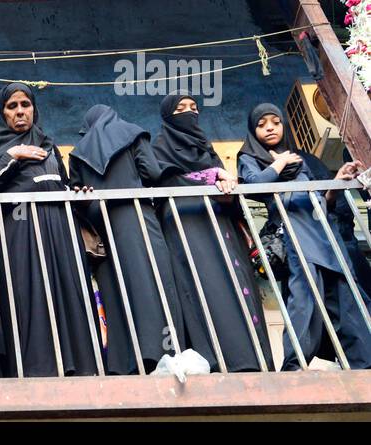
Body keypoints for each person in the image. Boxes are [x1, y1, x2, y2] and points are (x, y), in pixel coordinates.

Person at [0, 83, 100, 377]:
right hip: (20, 230)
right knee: (28, 291)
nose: (20, 111)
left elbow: (63, 182)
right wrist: (13, 157)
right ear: (3, 113)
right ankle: (38, 368)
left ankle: (82, 365)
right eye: (12, 106)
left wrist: (75, 193)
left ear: (34, 109)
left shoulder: (48, 144)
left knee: (68, 287)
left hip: (59, 226)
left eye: (25, 105)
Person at [237, 102, 371, 369]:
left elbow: (324, 201)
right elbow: (253, 185)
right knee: (304, 293)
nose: (270, 128)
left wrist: (337, 182)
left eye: (275, 122)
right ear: (253, 132)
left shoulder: (303, 159)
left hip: (322, 229)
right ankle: (294, 364)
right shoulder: (250, 158)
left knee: (343, 291)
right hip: (294, 229)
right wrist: (281, 163)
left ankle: (363, 362)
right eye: (262, 125)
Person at [152, 94, 269, 372]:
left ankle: (252, 361)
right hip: (186, 225)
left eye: (194, 108)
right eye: (181, 109)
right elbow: (161, 178)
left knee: (235, 284)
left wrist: (226, 187)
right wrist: (209, 178)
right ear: (168, 117)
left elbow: (223, 182)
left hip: (220, 222)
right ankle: (216, 360)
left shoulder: (206, 148)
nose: (189, 113)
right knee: (204, 286)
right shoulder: (160, 146)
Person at [70, 104, 187, 375]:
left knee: (115, 290)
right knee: (153, 281)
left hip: (102, 227)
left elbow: (78, 193)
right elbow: (153, 173)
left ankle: (124, 362)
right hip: (137, 216)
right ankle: (161, 353)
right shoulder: (133, 133)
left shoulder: (77, 153)